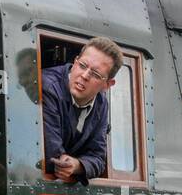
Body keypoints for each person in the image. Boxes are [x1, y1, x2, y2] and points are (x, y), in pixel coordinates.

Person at [40, 38, 122, 185]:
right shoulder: (47, 87)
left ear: (108, 84)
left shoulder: (101, 103)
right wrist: (67, 163)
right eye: (82, 66)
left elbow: (98, 158)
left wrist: (77, 166)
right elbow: (52, 155)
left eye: (95, 75)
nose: (84, 76)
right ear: (75, 61)